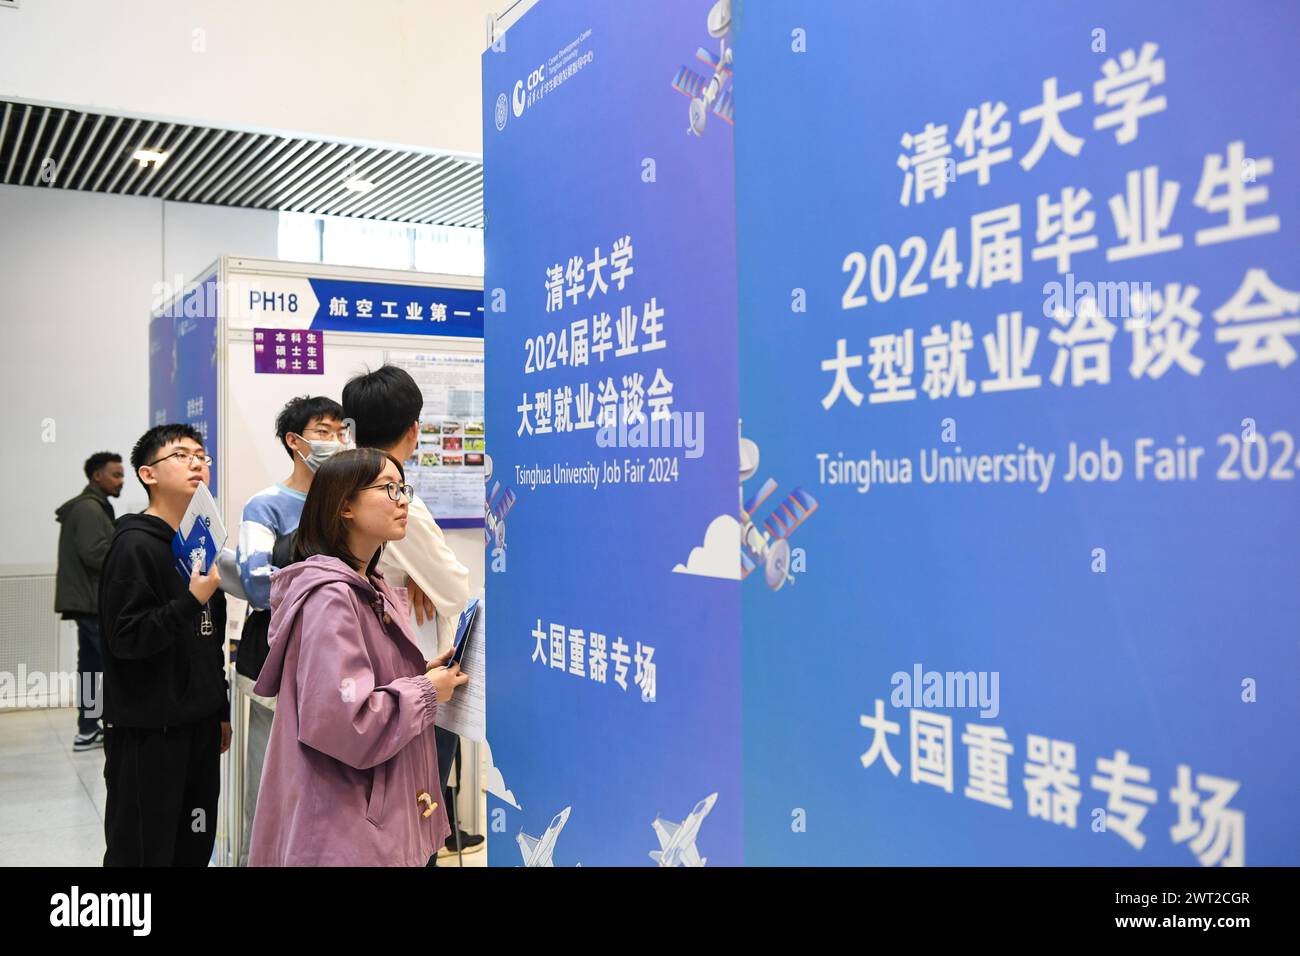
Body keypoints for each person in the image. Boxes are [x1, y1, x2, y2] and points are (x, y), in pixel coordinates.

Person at [247, 448, 468, 866]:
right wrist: (424, 690)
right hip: (342, 823)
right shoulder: (332, 597)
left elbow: (361, 680)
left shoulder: (370, 584)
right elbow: (348, 721)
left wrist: (423, 674)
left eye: (403, 488)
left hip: (367, 813)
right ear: (344, 505)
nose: (403, 500)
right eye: (389, 488)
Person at [342, 365, 480, 860]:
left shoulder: (345, 484)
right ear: (415, 429)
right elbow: (456, 588)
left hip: (382, 681)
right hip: (415, 678)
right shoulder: (400, 498)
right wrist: (428, 579)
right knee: (414, 819)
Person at [99, 424, 230, 867]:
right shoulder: (133, 545)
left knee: (193, 845)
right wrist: (190, 601)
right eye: (181, 455)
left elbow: (210, 636)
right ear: (147, 474)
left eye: (201, 456)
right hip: (149, 733)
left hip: (200, 727)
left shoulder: (199, 543)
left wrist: (221, 710)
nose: (196, 462)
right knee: (142, 850)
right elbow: (126, 637)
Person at [234, 395, 347, 865]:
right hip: (275, 666)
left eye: (340, 430)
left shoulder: (346, 500)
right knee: (268, 788)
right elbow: (258, 584)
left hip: (332, 666)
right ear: (294, 441)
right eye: (323, 430)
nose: (335, 440)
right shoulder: (266, 505)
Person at [54, 451, 124, 750]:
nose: (122, 480)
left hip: (88, 602)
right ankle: (107, 725)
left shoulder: (93, 506)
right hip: (93, 603)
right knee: (109, 666)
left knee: (92, 668)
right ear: (98, 476)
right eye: (116, 475)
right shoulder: (90, 510)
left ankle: (87, 728)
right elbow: (96, 554)